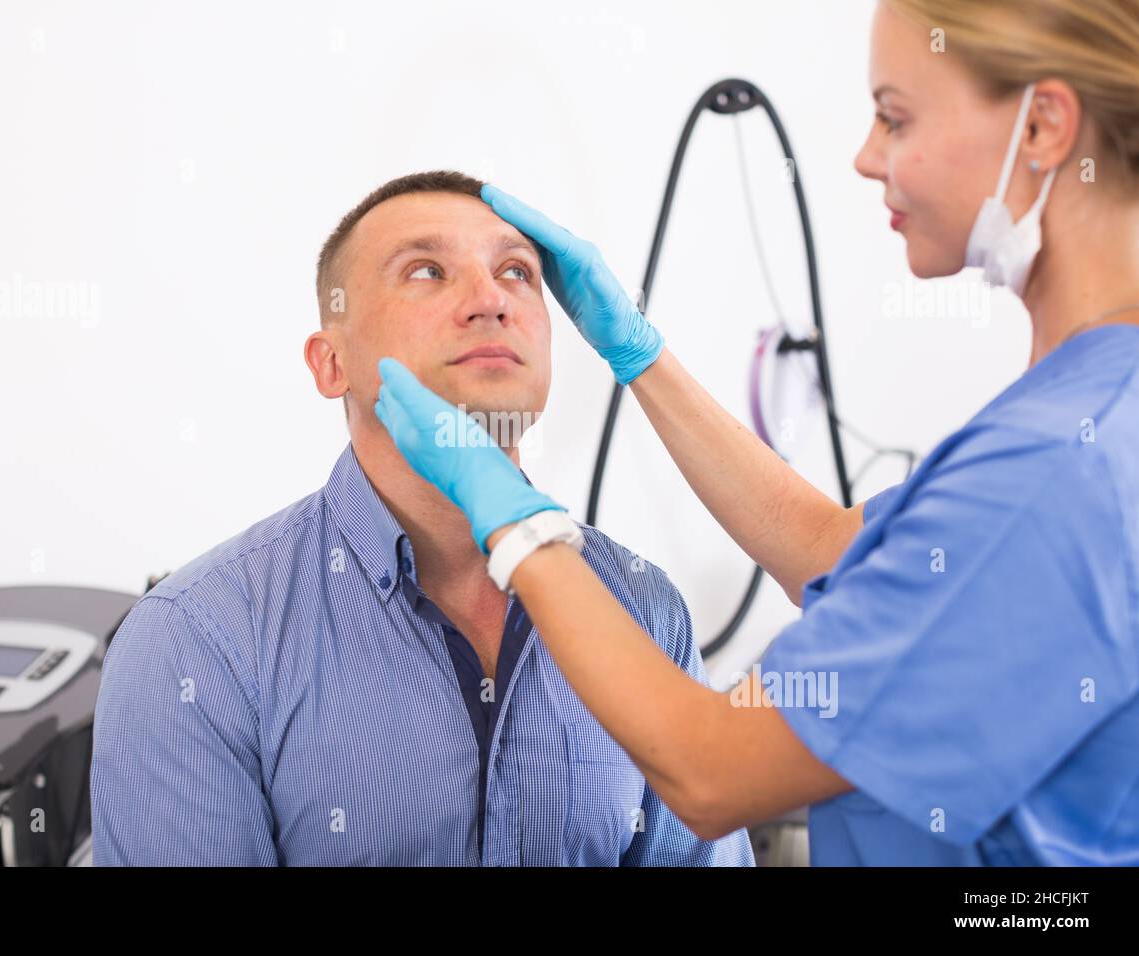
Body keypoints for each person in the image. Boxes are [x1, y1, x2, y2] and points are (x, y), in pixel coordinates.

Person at [372, 0, 1139, 865]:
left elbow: (710, 771)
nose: (864, 154)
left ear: (1041, 125)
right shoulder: (1089, 417)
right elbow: (825, 546)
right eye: (429, 272)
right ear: (329, 358)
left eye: (895, 116)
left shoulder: (1051, 467)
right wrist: (640, 356)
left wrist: (515, 523)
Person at [90, 170, 753, 866]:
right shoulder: (195, 642)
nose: (491, 299)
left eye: (517, 272)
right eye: (428, 270)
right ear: (331, 363)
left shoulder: (646, 611)